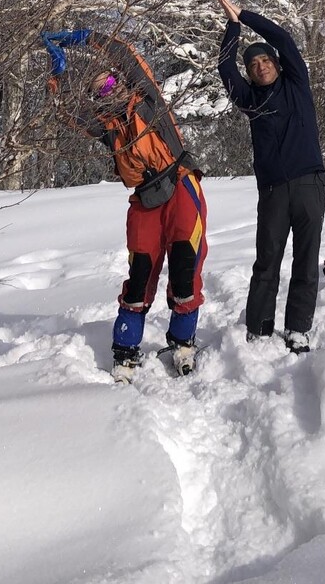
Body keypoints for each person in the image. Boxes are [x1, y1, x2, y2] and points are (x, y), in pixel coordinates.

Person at [44, 29, 208, 381]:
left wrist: (89, 38)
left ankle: (183, 340)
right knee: (139, 277)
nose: (112, 88)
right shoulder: (105, 128)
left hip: (179, 183)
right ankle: (126, 349)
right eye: (101, 89)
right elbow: (65, 112)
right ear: (98, 99)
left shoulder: (148, 101)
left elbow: (127, 56)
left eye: (113, 81)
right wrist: (57, 74)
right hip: (145, 200)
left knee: (184, 267)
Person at [216, 0, 325, 353]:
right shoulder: (250, 100)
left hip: (309, 184)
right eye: (253, 64)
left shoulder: (296, 84)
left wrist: (244, 15)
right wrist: (232, 29)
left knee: (306, 261)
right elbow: (224, 68)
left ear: (276, 64)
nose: (259, 66)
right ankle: (259, 328)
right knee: (267, 261)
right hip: (275, 192)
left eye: (264, 60)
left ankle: (298, 329)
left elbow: (284, 39)